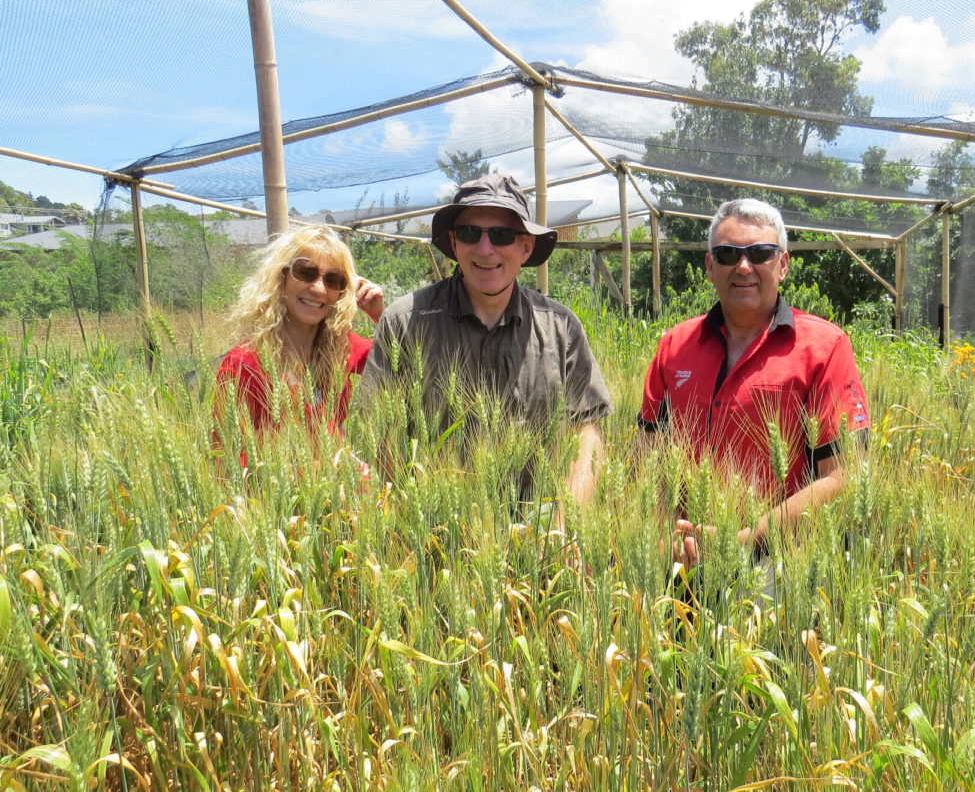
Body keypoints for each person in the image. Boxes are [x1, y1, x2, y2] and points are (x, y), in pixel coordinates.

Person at [638, 198, 869, 574]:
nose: (743, 266)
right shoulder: (673, 345)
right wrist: (660, 531)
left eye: (761, 252)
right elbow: (645, 458)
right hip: (678, 559)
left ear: (783, 265)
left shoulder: (825, 347)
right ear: (710, 267)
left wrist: (743, 538)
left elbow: (843, 474)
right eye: (728, 254)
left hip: (778, 564)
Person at [357, 173, 611, 507]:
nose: (485, 248)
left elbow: (587, 433)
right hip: (437, 536)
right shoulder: (405, 322)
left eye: (502, 235)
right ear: (455, 242)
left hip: (542, 536)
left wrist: (567, 526)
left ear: (526, 246)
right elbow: (380, 433)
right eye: (469, 233)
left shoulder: (561, 328)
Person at [216, 224, 384, 440]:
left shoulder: (350, 352)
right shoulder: (244, 365)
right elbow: (224, 453)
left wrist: (380, 318)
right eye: (305, 272)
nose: (318, 289)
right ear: (281, 277)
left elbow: (406, 379)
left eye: (334, 280)